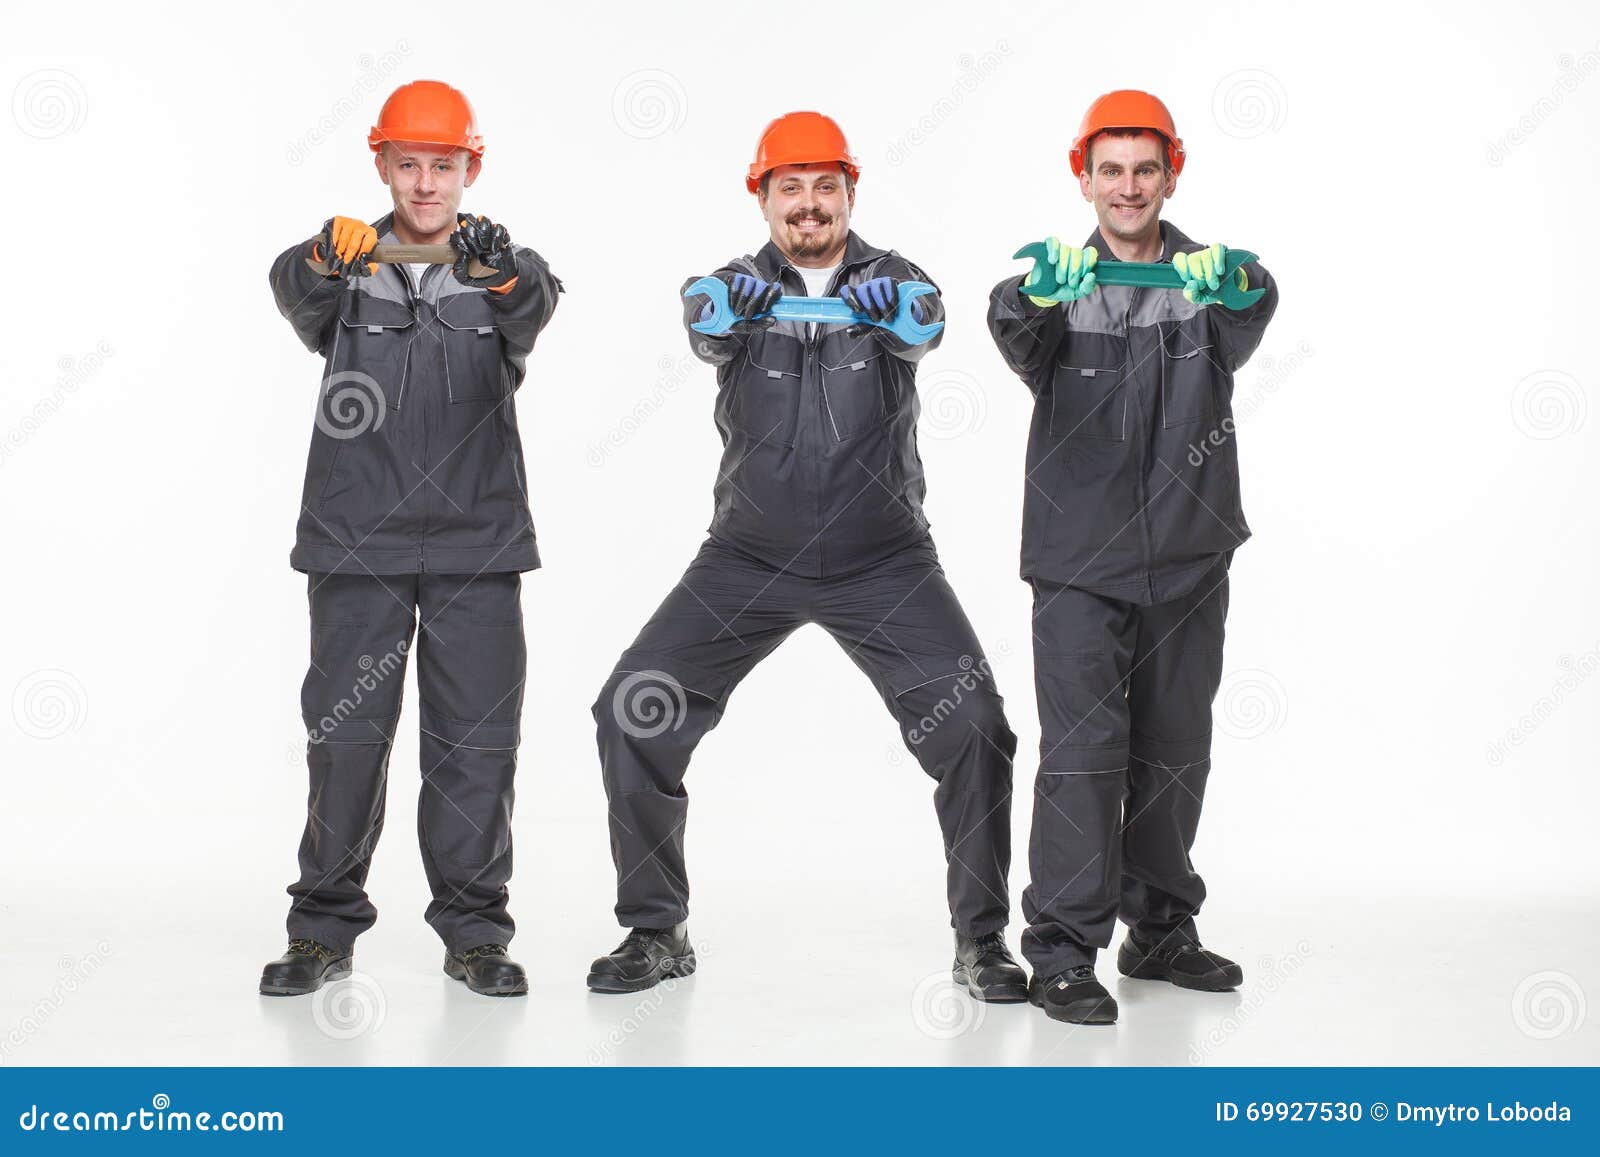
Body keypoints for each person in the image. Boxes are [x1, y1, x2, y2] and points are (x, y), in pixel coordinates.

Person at [588, 112, 1024, 1002]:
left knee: (976, 724)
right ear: (763, 197)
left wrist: (898, 313)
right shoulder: (735, 284)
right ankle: (656, 928)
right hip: (747, 556)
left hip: (884, 559)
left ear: (850, 194)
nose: (809, 203)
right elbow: (704, 326)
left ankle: (981, 942)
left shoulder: (896, 278)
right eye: (790, 187)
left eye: (826, 186)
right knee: (631, 711)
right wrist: (719, 306)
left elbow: (925, 326)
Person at [260, 80, 561, 998]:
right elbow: (290, 289)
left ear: (471, 168)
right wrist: (323, 253)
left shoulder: (505, 267)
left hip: (479, 542)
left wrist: (498, 273)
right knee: (345, 740)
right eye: (408, 164)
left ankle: (476, 934)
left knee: (476, 746)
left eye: (443, 164)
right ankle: (321, 930)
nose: (426, 183)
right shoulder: (344, 266)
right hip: (357, 540)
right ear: (382, 163)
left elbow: (533, 305)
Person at [987, 90, 1279, 1025]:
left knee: (1175, 749)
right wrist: (1036, 292)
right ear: (1084, 178)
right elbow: (1012, 328)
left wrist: (1239, 280)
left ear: (1171, 175)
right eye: (1109, 169)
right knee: (1084, 755)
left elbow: (1256, 303)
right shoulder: (1056, 285)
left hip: (1189, 552)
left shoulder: (1207, 282)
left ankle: (1159, 930)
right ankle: (1063, 951)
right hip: (1079, 559)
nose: (1127, 186)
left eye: (1144, 168)